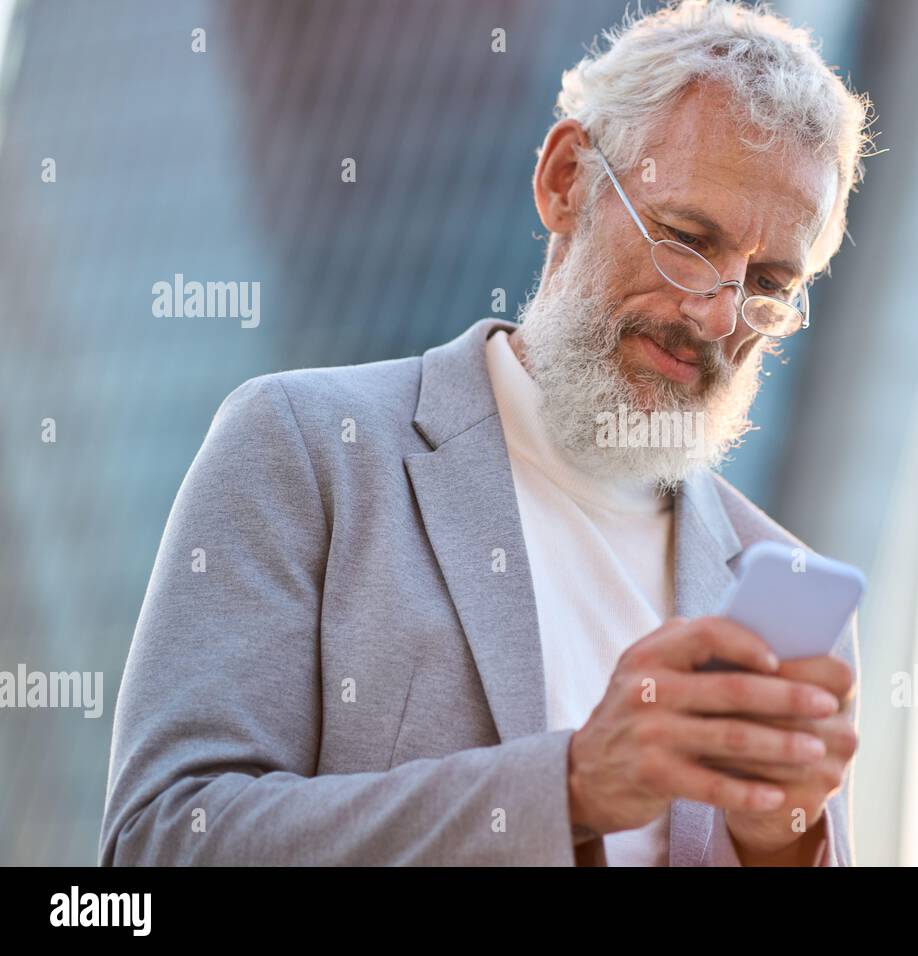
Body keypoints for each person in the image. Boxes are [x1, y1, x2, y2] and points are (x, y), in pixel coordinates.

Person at [100, 0, 876, 867]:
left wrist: (783, 843)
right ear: (567, 181)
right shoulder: (305, 448)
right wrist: (568, 787)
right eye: (687, 239)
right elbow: (159, 845)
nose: (717, 315)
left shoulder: (779, 586)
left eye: (767, 282)